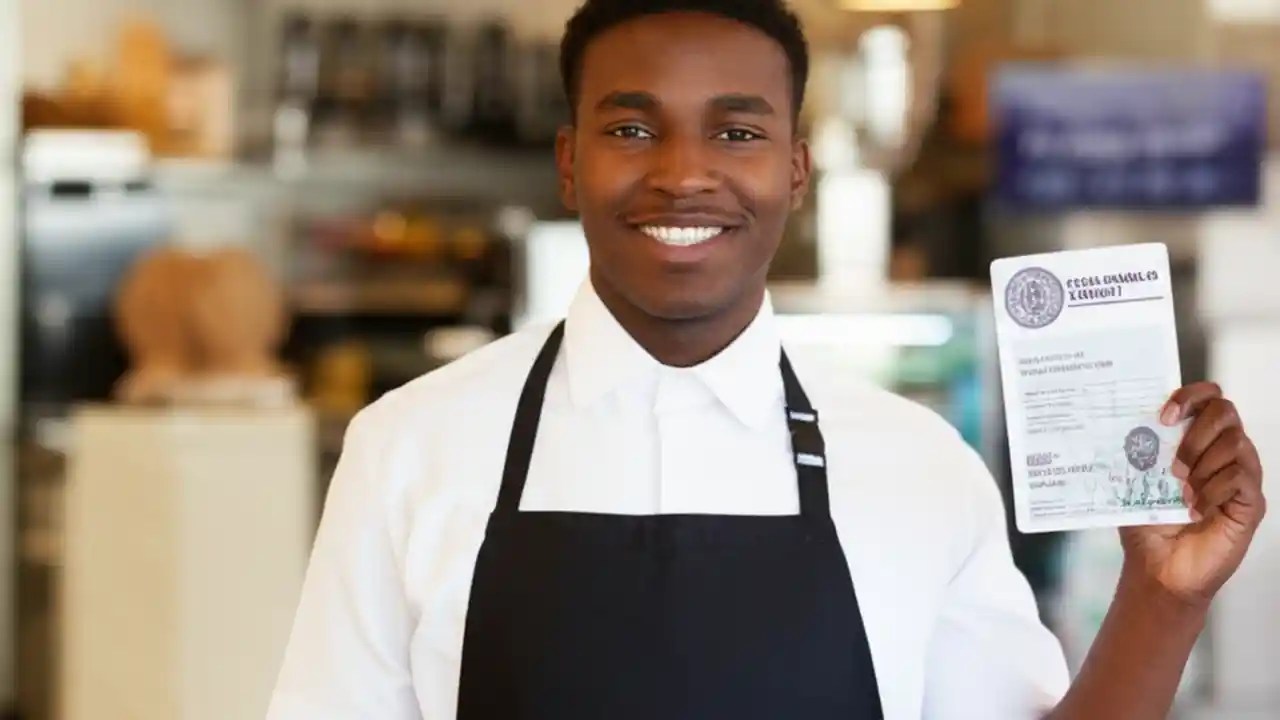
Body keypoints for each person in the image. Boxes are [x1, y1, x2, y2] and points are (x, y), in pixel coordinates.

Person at [266, 2, 1267, 718]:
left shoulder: (915, 466)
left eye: (736, 130)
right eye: (629, 127)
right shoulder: (409, 448)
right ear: (569, 161)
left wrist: (1162, 600)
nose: (683, 171)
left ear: (793, 168)